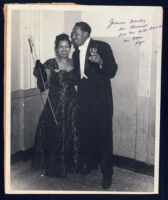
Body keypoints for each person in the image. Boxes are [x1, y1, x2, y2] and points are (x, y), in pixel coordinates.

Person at [71, 22, 118, 189]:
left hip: (101, 103)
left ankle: (107, 174)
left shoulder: (102, 46)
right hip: (84, 101)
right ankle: (90, 164)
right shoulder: (76, 54)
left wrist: (101, 62)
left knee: (104, 139)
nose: (73, 36)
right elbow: (78, 77)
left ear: (85, 34)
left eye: (76, 33)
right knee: (87, 135)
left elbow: (112, 71)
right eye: (73, 33)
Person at [31, 34, 80, 178]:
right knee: (55, 133)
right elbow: (43, 87)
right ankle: (55, 165)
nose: (64, 49)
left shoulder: (74, 62)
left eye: (67, 46)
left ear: (70, 48)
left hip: (72, 104)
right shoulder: (50, 63)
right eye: (61, 47)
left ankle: (71, 164)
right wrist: (40, 74)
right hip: (55, 105)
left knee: (72, 132)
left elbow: (77, 83)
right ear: (56, 48)